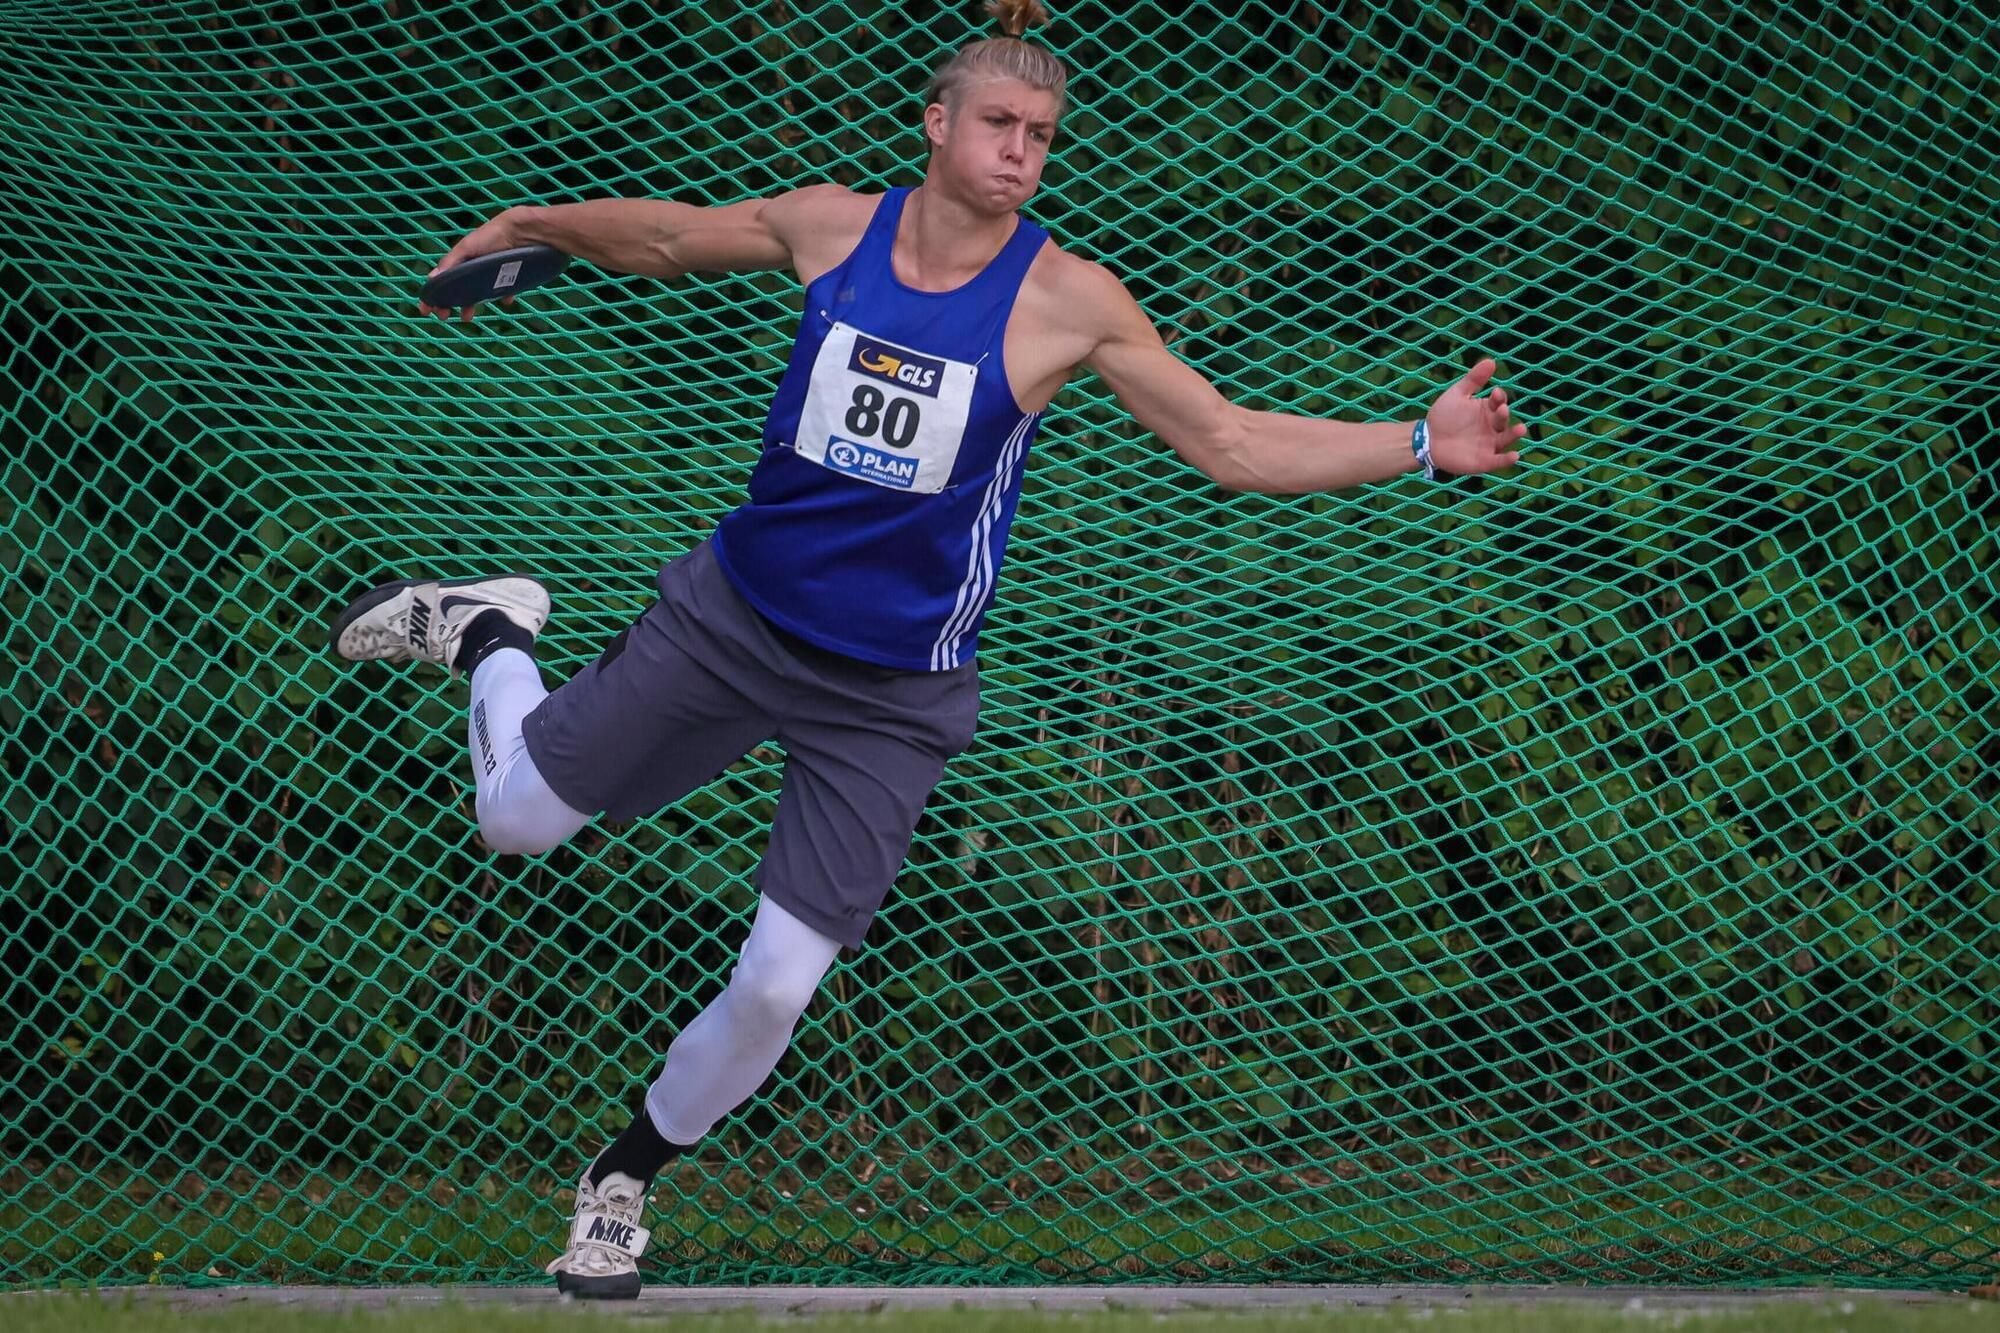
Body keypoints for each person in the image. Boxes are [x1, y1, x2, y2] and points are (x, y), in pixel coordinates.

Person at [330, 0, 1527, 1300]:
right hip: (735, 619)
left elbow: (1229, 443)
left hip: (891, 694)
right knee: (516, 823)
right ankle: (493, 630)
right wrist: (526, 227)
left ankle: (620, 1184)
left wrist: (1421, 440)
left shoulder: (1069, 299)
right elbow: (670, 237)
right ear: (938, 124)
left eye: (1044, 134)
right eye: (1000, 123)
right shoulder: (834, 227)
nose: (1022, 149)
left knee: (779, 984)